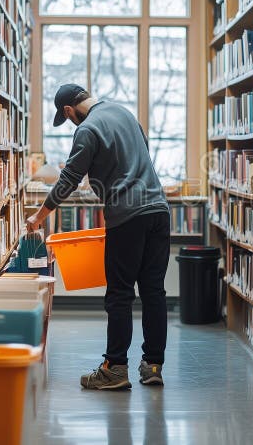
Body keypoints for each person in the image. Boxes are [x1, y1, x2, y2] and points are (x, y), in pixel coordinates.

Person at [26, 83, 170, 390]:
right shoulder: (124, 112)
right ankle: (153, 365)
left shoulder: (87, 129)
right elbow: (136, 156)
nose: (71, 124)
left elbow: (68, 179)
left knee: (119, 294)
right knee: (154, 291)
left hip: (128, 216)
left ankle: (115, 368)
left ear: (69, 110)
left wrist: (38, 217)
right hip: (159, 209)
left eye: (67, 119)